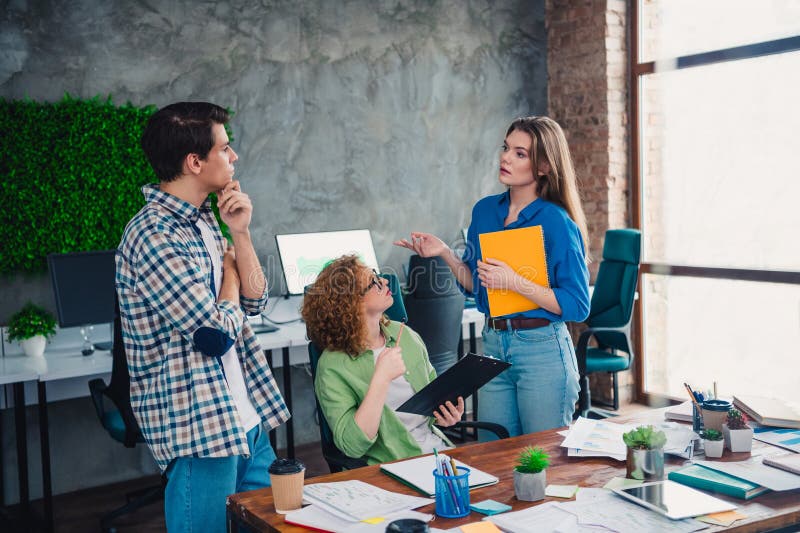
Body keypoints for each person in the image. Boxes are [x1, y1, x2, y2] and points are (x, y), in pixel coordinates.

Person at [115, 102, 289, 532]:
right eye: (225, 148)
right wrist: (229, 273)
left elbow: (254, 301)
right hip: (199, 429)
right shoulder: (152, 235)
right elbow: (213, 335)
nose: (234, 157)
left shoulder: (205, 221)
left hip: (245, 418)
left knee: (276, 525)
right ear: (195, 162)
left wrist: (241, 234)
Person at [395, 116, 590, 439]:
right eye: (505, 148)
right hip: (493, 346)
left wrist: (516, 282)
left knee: (539, 460)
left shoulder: (556, 221)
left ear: (542, 166)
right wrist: (444, 252)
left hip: (542, 350)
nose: (505, 157)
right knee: (491, 452)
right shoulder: (484, 211)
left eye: (519, 153)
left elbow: (578, 305)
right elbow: (477, 286)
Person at [301, 255, 464, 465]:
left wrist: (445, 415)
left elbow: (432, 401)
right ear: (352, 303)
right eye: (374, 282)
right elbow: (352, 446)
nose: (385, 282)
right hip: (389, 466)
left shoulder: (405, 335)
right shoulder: (332, 366)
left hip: (438, 454)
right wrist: (381, 379)